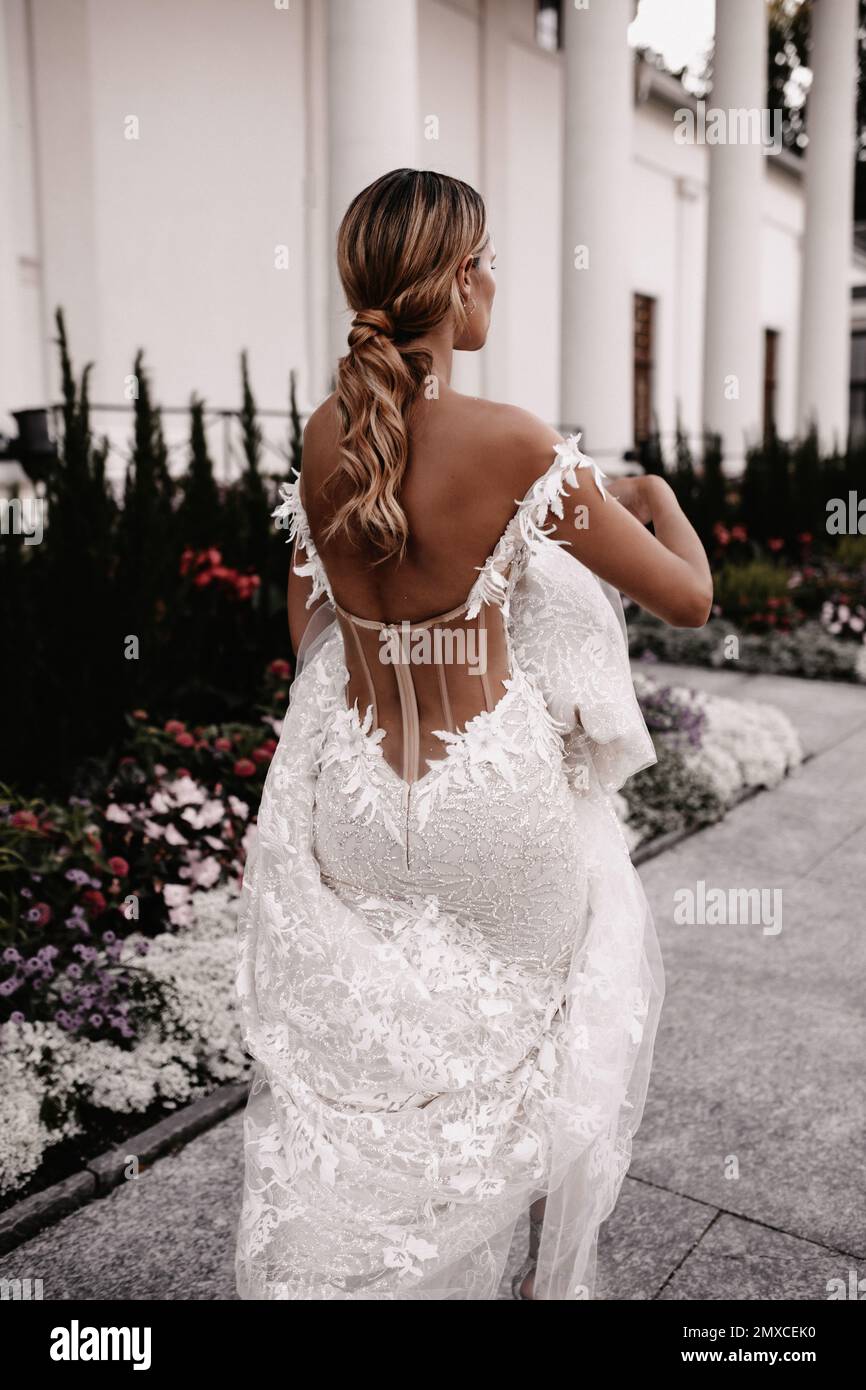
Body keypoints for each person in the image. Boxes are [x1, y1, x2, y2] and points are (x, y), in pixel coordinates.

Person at [235, 168, 712, 1301]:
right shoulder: (511, 443)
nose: (493, 275)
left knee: (380, 1083)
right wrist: (651, 496)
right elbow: (686, 600)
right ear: (452, 282)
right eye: (484, 257)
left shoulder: (321, 434)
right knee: (542, 1067)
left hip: (355, 799)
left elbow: (308, 626)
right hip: (488, 804)